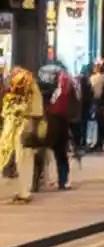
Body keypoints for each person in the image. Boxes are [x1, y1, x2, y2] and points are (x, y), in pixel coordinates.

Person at [0, 67, 43, 203]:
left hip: (23, 126)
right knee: (24, 159)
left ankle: (24, 192)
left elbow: (26, 109)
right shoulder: (32, 88)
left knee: (23, 158)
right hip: (26, 125)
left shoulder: (26, 89)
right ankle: (24, 191)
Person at [35, 59, 75, 190]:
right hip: (59, 119)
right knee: (61, 152)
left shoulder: (40, 79)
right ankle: (62, 181)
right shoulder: (64, 80)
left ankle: (35, 181)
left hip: (42, 117)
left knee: (38, 151)